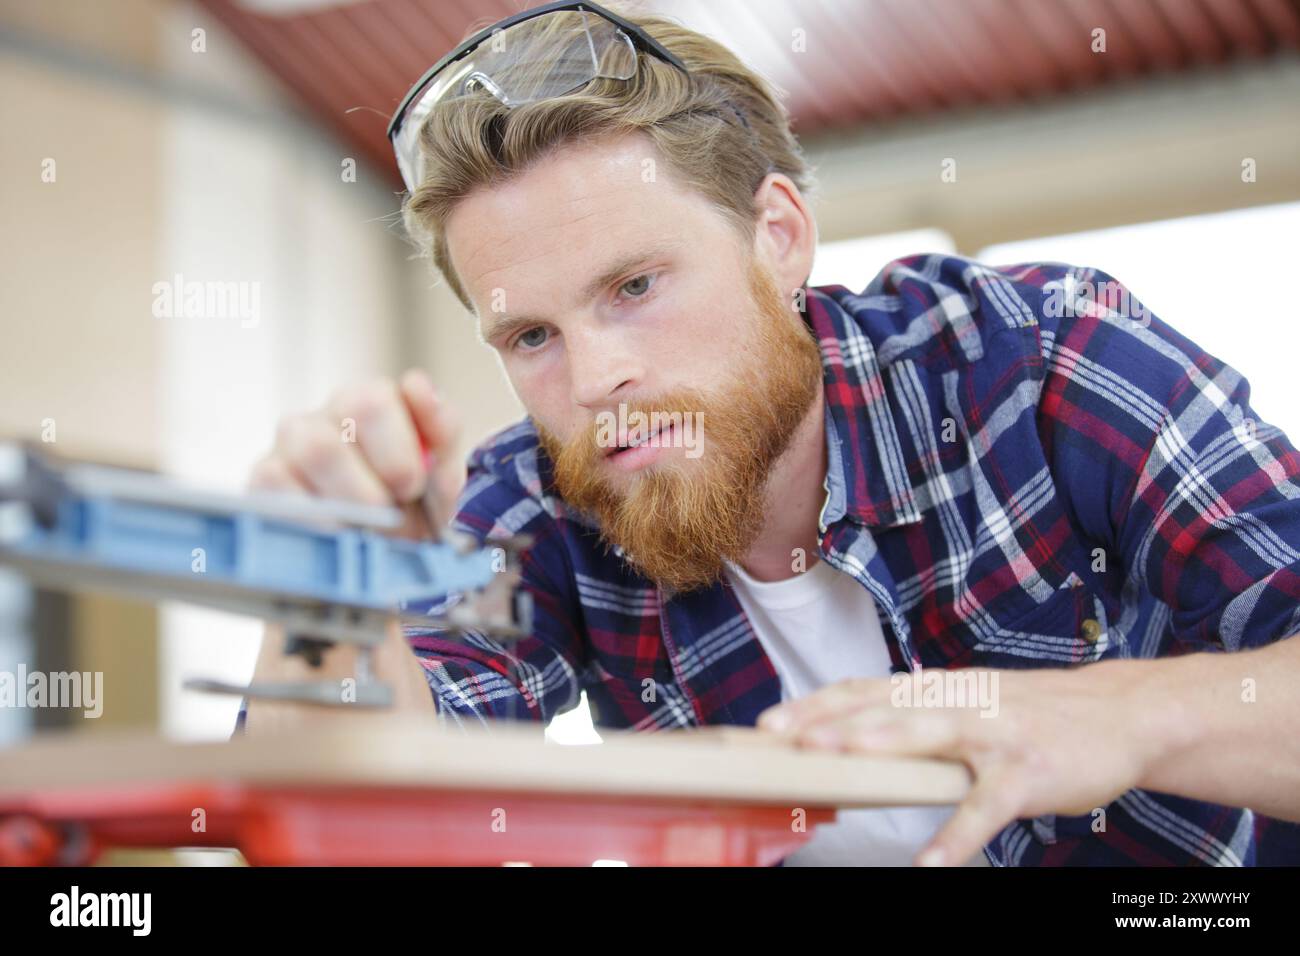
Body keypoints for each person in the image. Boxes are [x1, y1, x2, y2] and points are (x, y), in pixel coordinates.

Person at [239, 1, 1300, 866]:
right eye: (528, 334)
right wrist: (324, 595)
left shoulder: (1040, 355)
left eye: (635, 284)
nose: (597, 376)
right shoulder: (535, 499)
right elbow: (348, 834)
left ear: (778, 238)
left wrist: (1117, 718)